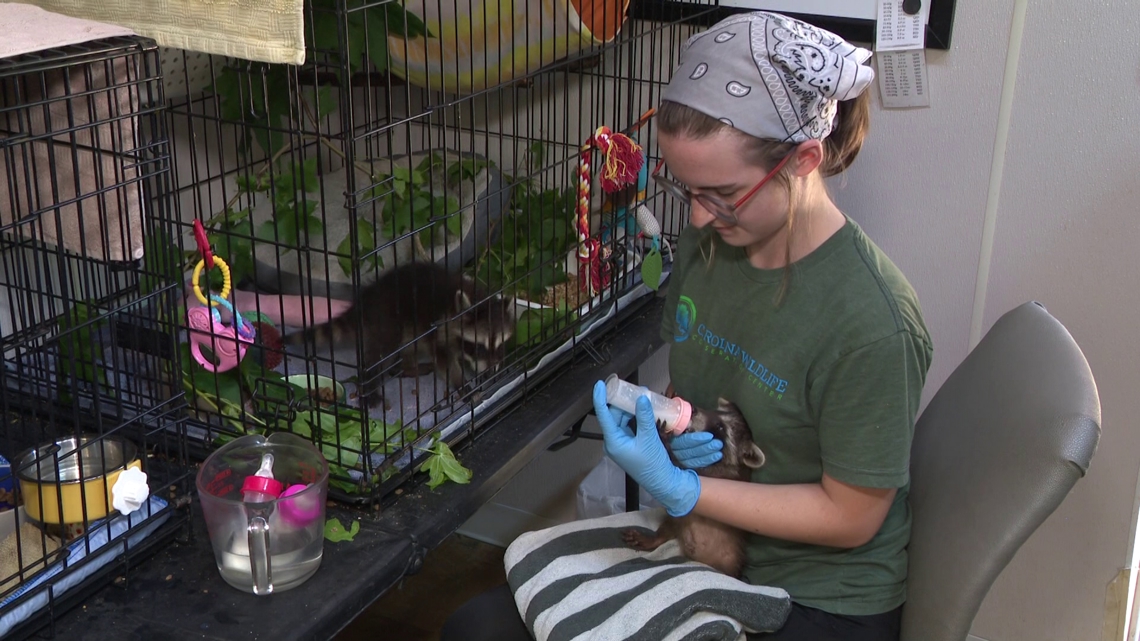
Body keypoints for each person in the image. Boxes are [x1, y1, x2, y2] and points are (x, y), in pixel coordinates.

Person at [440, 11, 932, 641]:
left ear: (804, 159)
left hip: (816, 596)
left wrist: (681, 489)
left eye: (722, 194)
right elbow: (696, 391)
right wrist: (666, 425)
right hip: (704, 544)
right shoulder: (711, 248)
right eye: (687, 191)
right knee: (477, 628)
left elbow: (851, 518)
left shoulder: (873, 325)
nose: (698, 219)